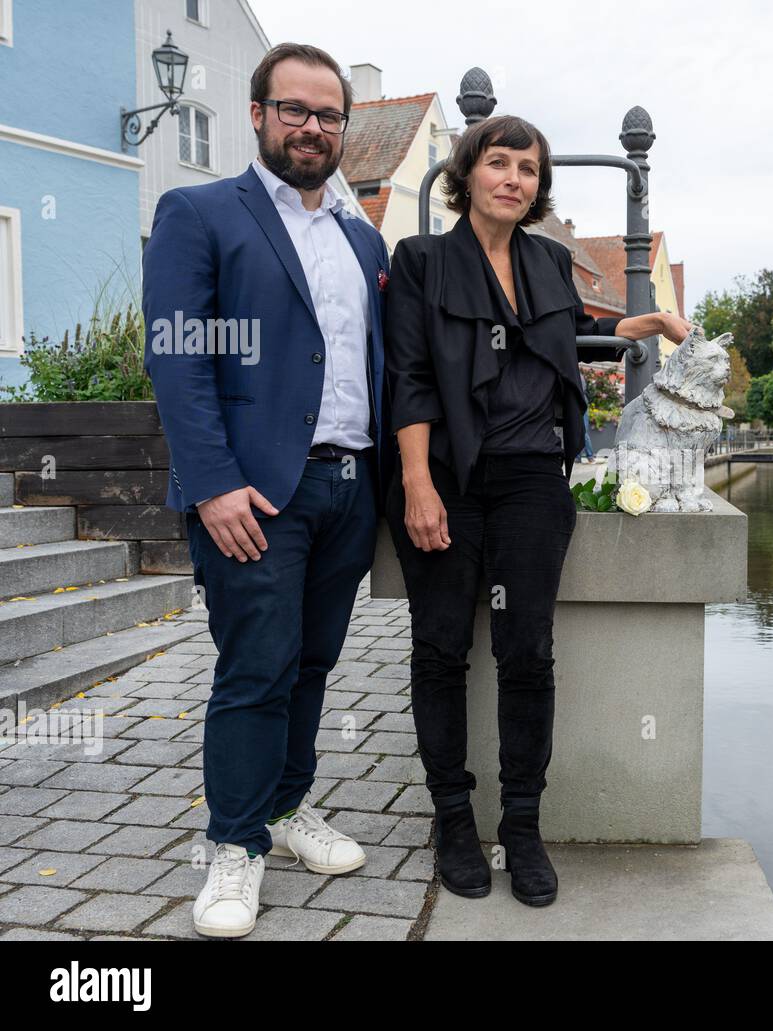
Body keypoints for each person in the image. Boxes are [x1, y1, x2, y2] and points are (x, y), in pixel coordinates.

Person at [383, 114, 691, 907]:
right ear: (468, 173)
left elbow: (570, 333)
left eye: (528, 167)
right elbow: (411, 376)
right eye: (499, 162)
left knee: (528, 652)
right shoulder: (420, 261)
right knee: (440, 649)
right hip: (447, 475)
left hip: (529, 480)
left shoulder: (550, 261)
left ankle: (521, 826)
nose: (515, 177)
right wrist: (417, 482)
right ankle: (454, 818)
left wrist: (643, 323)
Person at [143, 43, 392, 938]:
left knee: (313, 664)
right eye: (295, 110)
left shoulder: (363, 236)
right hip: (252, 496)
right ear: (257, 114)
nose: (313, 127)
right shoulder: (201, 212)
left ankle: (286, 811)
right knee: (255, 669)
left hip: (350, 488)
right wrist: (213, 485)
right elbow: (176, 358)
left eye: (328, 115)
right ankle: (233, 845)